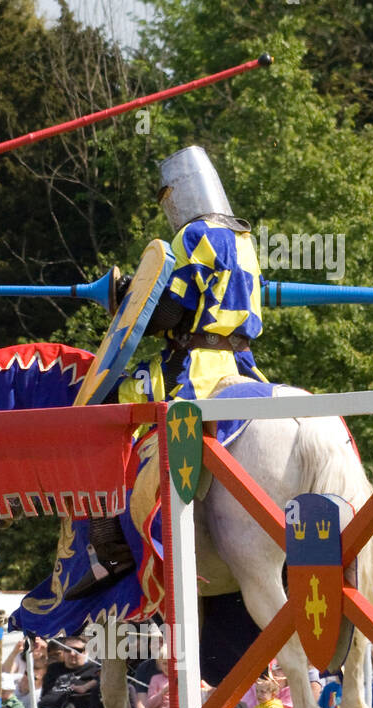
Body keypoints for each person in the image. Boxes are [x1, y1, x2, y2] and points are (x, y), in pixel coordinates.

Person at [69, 146, 267, 599]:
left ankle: (109, 546)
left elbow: (167, 314)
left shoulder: (194, 235)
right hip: (242, 365)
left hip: (194, 367)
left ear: (178, 193)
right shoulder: (245, 238)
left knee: (96, 410)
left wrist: (125, 298)